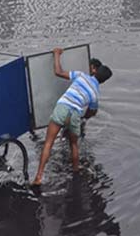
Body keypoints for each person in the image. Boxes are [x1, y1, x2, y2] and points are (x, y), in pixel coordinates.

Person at [32, 48, 112, 186]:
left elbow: (58, 72)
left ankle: (39, 177)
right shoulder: (95, 95)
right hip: (75, 114)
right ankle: (76, 171)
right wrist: (84, 117)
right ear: (103, 81)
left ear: (94, 71)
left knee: (48, 143)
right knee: (74, 144)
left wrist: (57, 54)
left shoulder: (81, 76)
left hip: (63, 107)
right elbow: (92, 112)